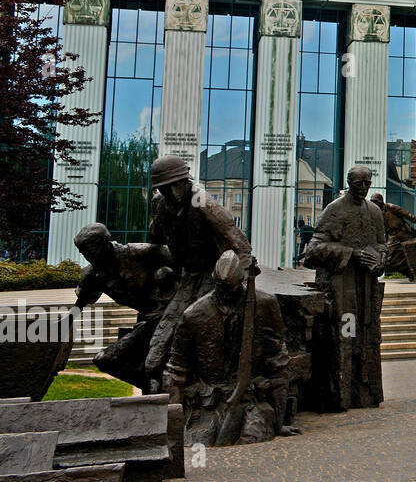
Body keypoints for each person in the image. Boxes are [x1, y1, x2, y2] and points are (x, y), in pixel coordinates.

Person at [143, 154, 254, 390]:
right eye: (166, 188)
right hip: (188, 277)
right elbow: (156, 235)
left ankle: (198, 387)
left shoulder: (202, 202)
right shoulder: (160, 205)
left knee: (200, 327)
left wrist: (240, 283)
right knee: (160, 343)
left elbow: (239, 244)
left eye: (178, 185)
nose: (174, 191)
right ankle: (157, 380)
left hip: (213, 278)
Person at [163, 250, 297, 446]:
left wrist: (280, 422)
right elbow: (176, 371)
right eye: (221, 288)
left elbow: (278, 362)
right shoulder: (193, 315)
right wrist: (172, 426)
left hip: (251, 401)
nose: (226, 295)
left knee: (253, 437)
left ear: (242, 282)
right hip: (207, 404)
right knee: (199, 441)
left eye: (231, 290)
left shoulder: (265, 304)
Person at [302, 164, 387, 410]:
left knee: (368, 336)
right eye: (359, 184)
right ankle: (340, 396)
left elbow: (382, 244)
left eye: (368, 183)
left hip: (366, 287)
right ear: (350, 183)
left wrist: (380, 260)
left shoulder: (374, 211)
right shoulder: (335, 209)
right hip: (342, 287)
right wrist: (350, 254)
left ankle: (366, 394)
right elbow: (312, 251)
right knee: (344, 336)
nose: (364, 188)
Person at [71, 223, 175, 390]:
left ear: (105, 244)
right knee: (105, 360)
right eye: (84, 253)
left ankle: (157, 383)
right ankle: (154, 385)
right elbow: (81, 302)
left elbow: (185, 265)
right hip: (147, 322)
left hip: (170, 313)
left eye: (91, 252)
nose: (88, 258)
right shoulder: (93, 275)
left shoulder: (139, 253)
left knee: (153, 360)